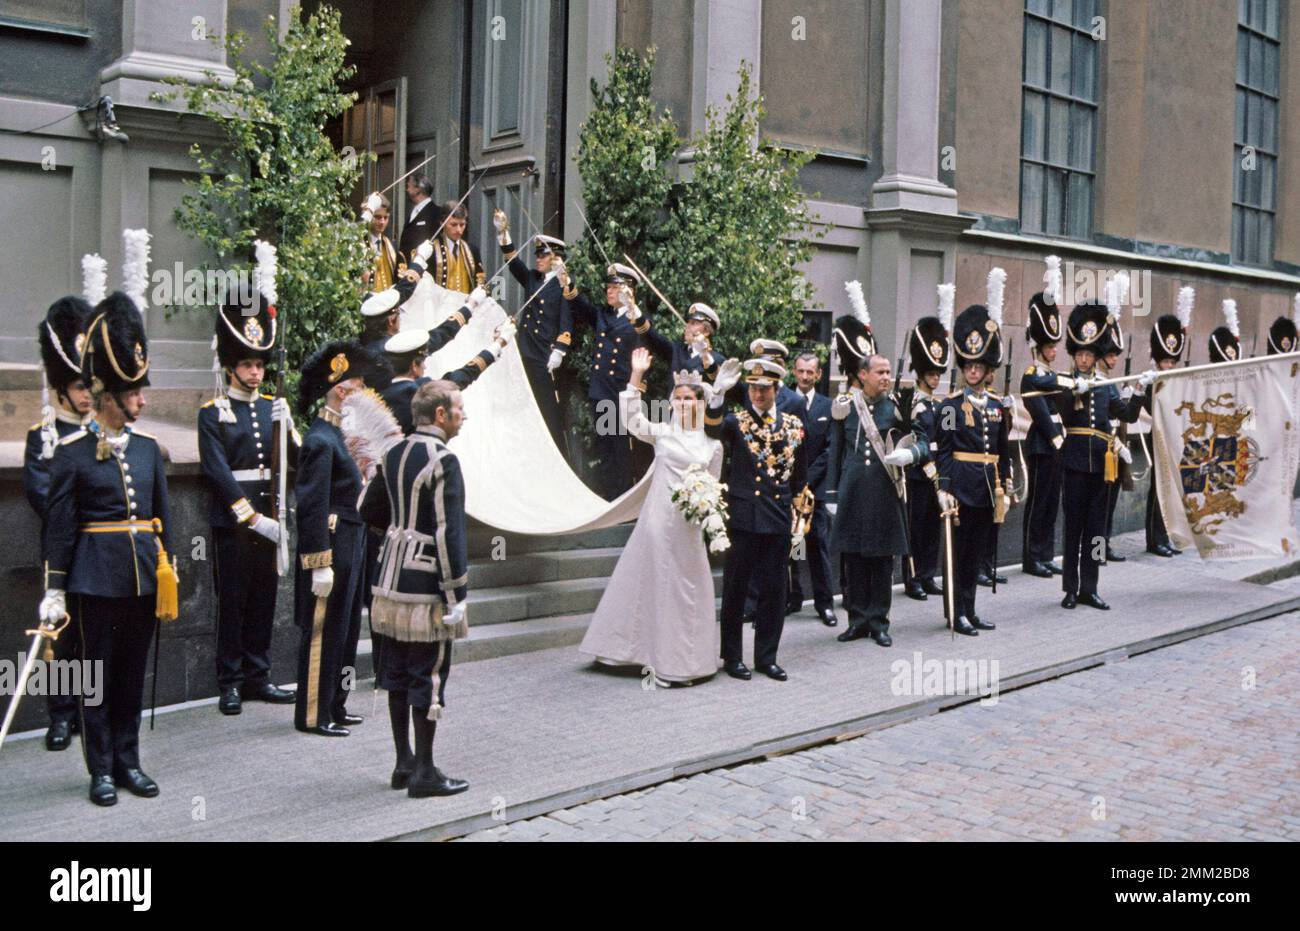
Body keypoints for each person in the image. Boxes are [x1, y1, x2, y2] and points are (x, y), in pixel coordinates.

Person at [42, 291, 175, 806]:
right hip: (93, 580)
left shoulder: (148, 451)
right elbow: (59, 528)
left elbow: (161, 519)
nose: (142, 401)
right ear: (109, 398)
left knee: (130, 676)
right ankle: (100, 769)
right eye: (134, 393)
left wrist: (167, 571)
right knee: (94, 677)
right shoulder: (71, 453)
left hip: (142, 577)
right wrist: (54, 589)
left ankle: (128, 761)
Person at [579, 348, 724, 684]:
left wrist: (707, 515)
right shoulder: (662, 433)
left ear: (700, 404)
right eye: (679, 398)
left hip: (690, 527)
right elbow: (631, 420)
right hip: (659, 520)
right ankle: (646, 655)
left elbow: (714, 487)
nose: (684, 404)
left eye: (690, 399)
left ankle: (688, 661)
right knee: (657, 583)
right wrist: (636, 375)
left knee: (687, 589)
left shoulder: (712, 446)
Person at [359, 380, 472, 798]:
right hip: (426, 585)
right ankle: (425, 772)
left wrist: (399, 534)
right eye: (459, 408)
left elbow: (366, 508)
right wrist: (456, 593)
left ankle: (403, 762)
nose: (464, 415)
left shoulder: (393, 453)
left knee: (396, 673)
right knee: (428, 675)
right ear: (440, 415)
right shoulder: (444, 460)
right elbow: (448, 532)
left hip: (388, 581)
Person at [199, 258, 297, 717]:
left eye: (259, 364)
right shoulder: (213, 413)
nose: (255, 373)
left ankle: (258, 675)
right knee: (234, 604)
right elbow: (217, 472)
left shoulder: (271, 407)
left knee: (263, 601)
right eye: (247, 365)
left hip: (270, 516)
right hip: (237, 523)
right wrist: (253, 518)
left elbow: (294, 463)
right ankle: (231, 682)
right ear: (230, 367)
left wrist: (291, 429)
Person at [292, 340, 392, 737]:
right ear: (339, 389)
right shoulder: (320, 439)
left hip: (353, 538)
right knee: (324, 630)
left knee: (346, 630)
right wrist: (318, 562)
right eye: (357, 385)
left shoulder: (341, 435)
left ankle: (336, 703)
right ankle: (313, 714)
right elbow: (311, 505)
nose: (363, 392)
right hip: (332, 542)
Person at [706, 354, 807, 681]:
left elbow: (799, 474)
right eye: (753, 388)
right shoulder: (736, 422)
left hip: (777, 517)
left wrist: (800, 510)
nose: (758, 394)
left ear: (777, 389)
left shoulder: (792, 426)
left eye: (764, 389)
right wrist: (718, 395)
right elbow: (710, 429)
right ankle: (732, 656)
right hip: (744, 518)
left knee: (774, 591)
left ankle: (767, 657)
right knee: (735, 590)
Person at [25, 292, 96, 751]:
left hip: (100, 550)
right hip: (62, 550)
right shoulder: (43, 437)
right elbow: (43, 495)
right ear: (61, 389)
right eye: (78, 387)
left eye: (90, 386)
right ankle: (61, 715)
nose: (87, 394)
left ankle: (91, 709)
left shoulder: (103, 435)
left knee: (94, 634)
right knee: (61, 636)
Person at [828, 341, 927, 647]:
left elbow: (923, 441)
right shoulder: (847, 406)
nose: (885, 377)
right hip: (854, 493)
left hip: (885, 493)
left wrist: (910, 454)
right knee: (854, 560)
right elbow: (836, 451)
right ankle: (857, 621)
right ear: (863, 375)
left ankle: (879, 622)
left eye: (887, 372)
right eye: (879, 372)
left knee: (882, 562)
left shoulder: (898, 406)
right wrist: (831, 494)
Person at [1057, 302, 1143, 611]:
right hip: (1075, 464)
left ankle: (1089, 588)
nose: (1083, 359)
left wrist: (1139, 391)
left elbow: (1128, 415)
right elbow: (1063, 413)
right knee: (1073, 530)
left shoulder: (1107, 386)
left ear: (1096, 356)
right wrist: (1074, 391)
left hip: (1101, 467)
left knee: (1095, 532)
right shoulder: (1065, 382)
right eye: (1079, 354)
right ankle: (1070, 588)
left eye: (1089, 355)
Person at [935, 302, 1011, 636]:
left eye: (978, 366)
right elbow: (944, 450)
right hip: (961, 488)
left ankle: (970, 608)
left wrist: (1005, 484)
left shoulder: (997, 406)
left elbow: (1002, 450)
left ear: (988, 368)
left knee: (976, 555)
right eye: (968, 365)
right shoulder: (950, 406)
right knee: (958, 554)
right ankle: (955, 613)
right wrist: (944, 487)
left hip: (987, 489)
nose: (973, 371)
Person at [566, 263, 652, 500]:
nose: (609, 291)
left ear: (628, 291)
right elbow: (582, 307)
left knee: (620, 450)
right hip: (600, 391)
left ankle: (622, 499)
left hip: (619, 395)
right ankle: (608, 498)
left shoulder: (637, 322)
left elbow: (645, 354)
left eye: (615, 287)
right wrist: (567, 282)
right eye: (609, 287)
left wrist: (636, 394)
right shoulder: (605, 314)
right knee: (604, 448)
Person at [491, 209, 571, 451]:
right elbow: (513, 263)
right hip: (525, 350)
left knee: (547, 410)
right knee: (522, 406)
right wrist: (503, 234)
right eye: (537, 255)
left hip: (544, 355)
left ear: (556, 258)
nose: (538, 259)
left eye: (543, 255)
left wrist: (560, 350)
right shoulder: (533, 279)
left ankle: (554, 453)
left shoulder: (564, 285)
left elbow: (567, 320)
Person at [1020, 263, 1072, 578]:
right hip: (1042, 443)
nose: (1054, 351)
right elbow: (1040, 411)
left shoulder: (1052, 375)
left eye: (1054, 346)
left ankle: (1046, 554)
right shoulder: (1032, 375)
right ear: (1039, 347)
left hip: (1058, 443)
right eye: (1050, 346)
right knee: (1039, 503)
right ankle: (1031, 557)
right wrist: (1056, 437)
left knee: (1052, 502)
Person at [379, 320, 516, 435]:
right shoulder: (417, 392)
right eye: (423, 361)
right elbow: (461, 376)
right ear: (414, 365)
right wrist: (499, 343)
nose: (425, 367)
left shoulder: (381, 392)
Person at [901, 308, 949, 602]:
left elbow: (946, 437)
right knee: (916, 528)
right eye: (931, 373)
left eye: (937, 373)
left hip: (937, 472)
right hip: (918, 474)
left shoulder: (940, 405)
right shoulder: (912, 402)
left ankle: (928, 574)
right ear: (921, 373)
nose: (935, 378)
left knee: (933, 527)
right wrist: (930, 468)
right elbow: (913, 438)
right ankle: (913, 578)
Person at [786, 351, 837, 626]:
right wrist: (792, 483)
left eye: (810, 372)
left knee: (818, 546)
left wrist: (805, 482)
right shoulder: (783, 401)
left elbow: (830, 450)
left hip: (813, 491)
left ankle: (824, 603)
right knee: (794, 545)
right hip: (787, 488)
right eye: (801, 371)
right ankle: (794, 595)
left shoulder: (827, 407)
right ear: (794, 371)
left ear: (818, 374)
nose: (805, 376)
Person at [1144, 306, 1188, 557]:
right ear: (1158, 360)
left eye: (1172, 362)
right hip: (1158, 436)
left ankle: (1165, 535)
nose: (1169, 366)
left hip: (1174, 437)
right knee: (1158, 488)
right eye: (1165, 362)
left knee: (1170, 490)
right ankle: (1154, 538)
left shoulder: (1177, 380)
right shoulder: (1152, 380)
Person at [642, 302, 722, 383]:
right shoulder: (677, 350)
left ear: (706, 331)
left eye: (694, 323)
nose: (687, 326)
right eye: (688, 322)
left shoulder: (717, 359)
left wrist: (704, 355)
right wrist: (635, 313)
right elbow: (652, 337)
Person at [428, 200, 483, 294]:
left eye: (462, 225)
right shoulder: (431, 250)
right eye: (453, 224)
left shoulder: (472, 250)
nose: (458, 230)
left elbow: (480, 282)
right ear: (442, 223)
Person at [398, 175, 438, 266]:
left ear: (418, 189)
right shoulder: (413, 212)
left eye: (409, 186)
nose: (406, 190)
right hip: (406, 268)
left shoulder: (435, 213)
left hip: (423, 269)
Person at [362, 193, 398, 292]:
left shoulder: (390, 244)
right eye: (378, 217)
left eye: (385, 217)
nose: (382, 222)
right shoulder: (358, 243)